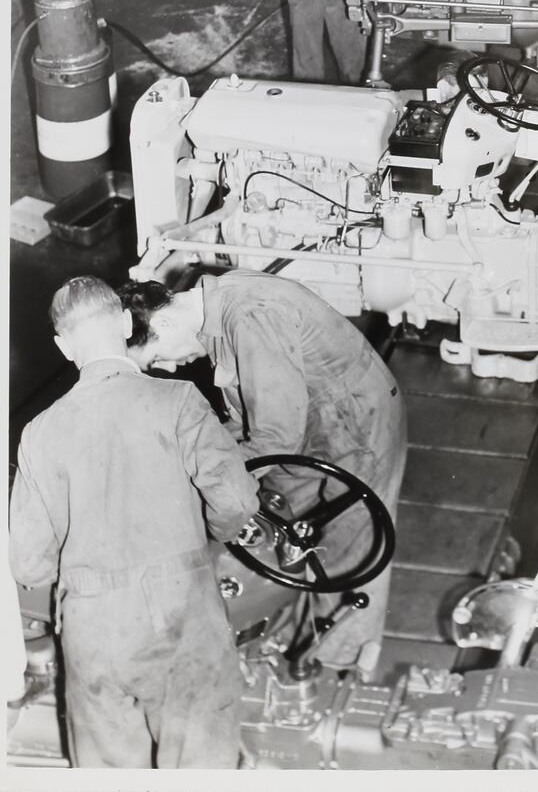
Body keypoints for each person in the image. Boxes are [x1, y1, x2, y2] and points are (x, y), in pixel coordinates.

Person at [9, 277, 259, 768]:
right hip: (183, 614)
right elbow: (236, 502)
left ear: (63, 347)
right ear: (125, 323)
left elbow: (29, 564)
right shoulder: (180, 401)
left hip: (93, 627)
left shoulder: (39, 433)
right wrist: (201, 542)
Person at [121, 268, 408, 677]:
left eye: (155, 358)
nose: (166, 369)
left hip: (357, 423)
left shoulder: (251, 315)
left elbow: (274, 439)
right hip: (311, 423)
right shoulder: (219, 312)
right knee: (290, 525)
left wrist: (213, 494)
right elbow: (249, 420)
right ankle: (288, 627)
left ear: (164, 321)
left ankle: (335, 665)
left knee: (352, 549)